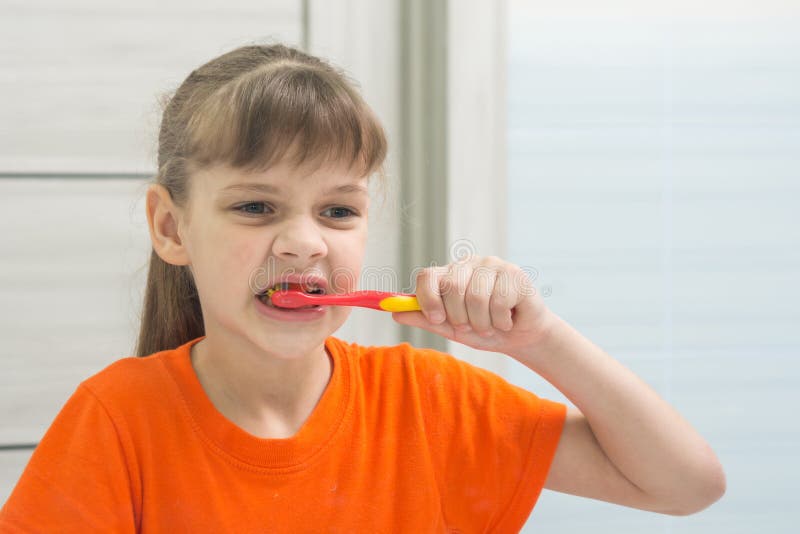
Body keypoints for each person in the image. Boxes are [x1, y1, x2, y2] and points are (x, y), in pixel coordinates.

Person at [0, 43, 725, 533]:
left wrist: (540, 340)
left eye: (337, 211)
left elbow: (687, 484)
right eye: (256, 206)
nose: (305, 242)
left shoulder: (430, 405)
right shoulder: (116, 423)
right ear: (172, 228)